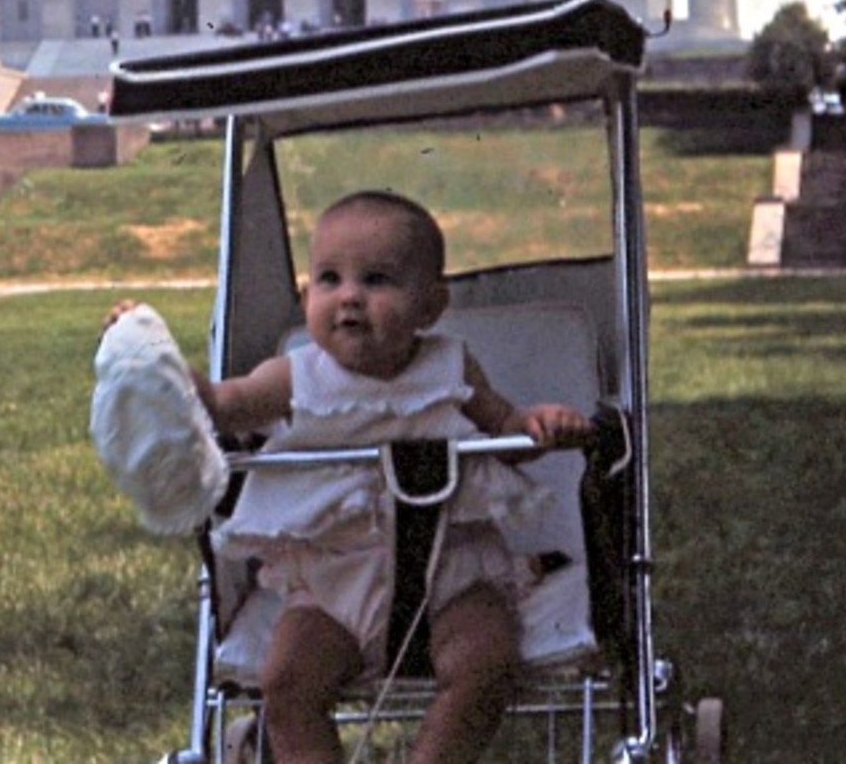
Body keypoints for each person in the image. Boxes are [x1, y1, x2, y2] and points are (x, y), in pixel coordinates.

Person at [102, 191, 590, 764]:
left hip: (453, 574)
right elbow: (218, 403)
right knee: (285, 684)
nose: (350, 296)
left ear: (431, 306)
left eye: (377, 280)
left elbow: (503, 428)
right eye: (330, 279)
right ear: (308, 297)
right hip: (331, 583)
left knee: (487, 661)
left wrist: (535, 424)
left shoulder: (451, 366)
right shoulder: (293, 377)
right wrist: (148, 360)